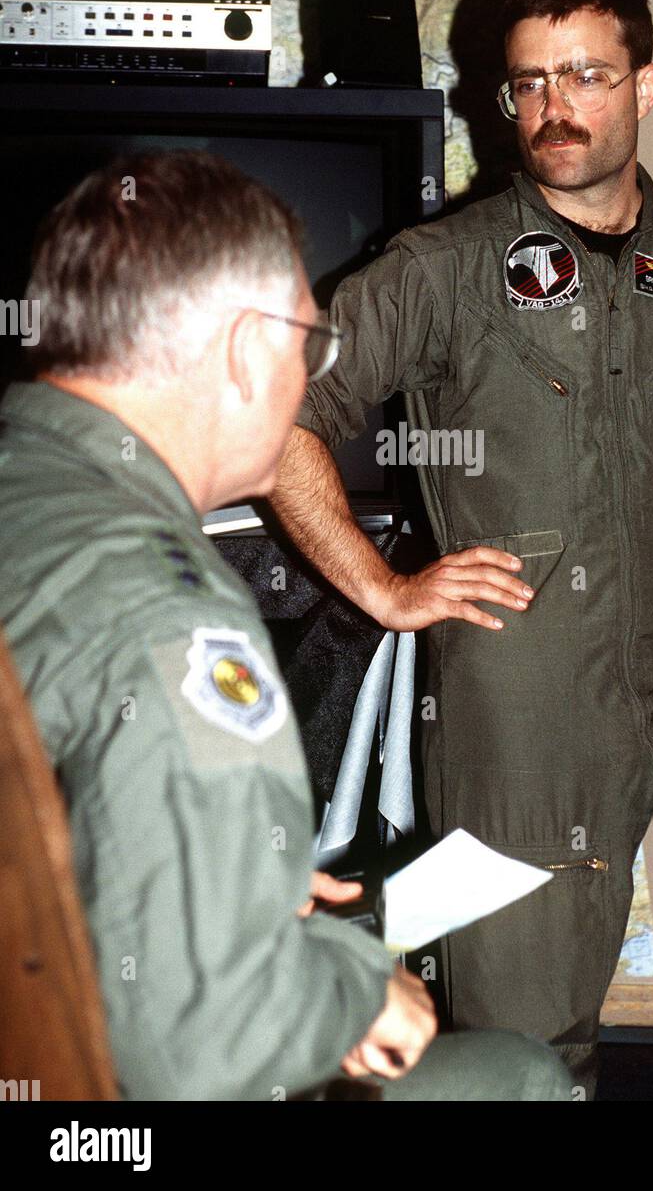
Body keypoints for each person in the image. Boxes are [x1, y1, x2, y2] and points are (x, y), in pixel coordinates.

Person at [271, 0, 653, 1097]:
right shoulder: (438, 268)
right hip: (523, 701)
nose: (554, 105)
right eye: (528, 82)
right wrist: (384, 592)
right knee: (527, 1050)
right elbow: (281, 412)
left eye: (585, 75)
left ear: (643, 87)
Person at [0, 150, 570, 1102]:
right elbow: (203, 1048)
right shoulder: (172, 618)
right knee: (518, 1074)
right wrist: (353, 993)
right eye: (310, 350)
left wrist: (200, 872)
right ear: (240, 351)